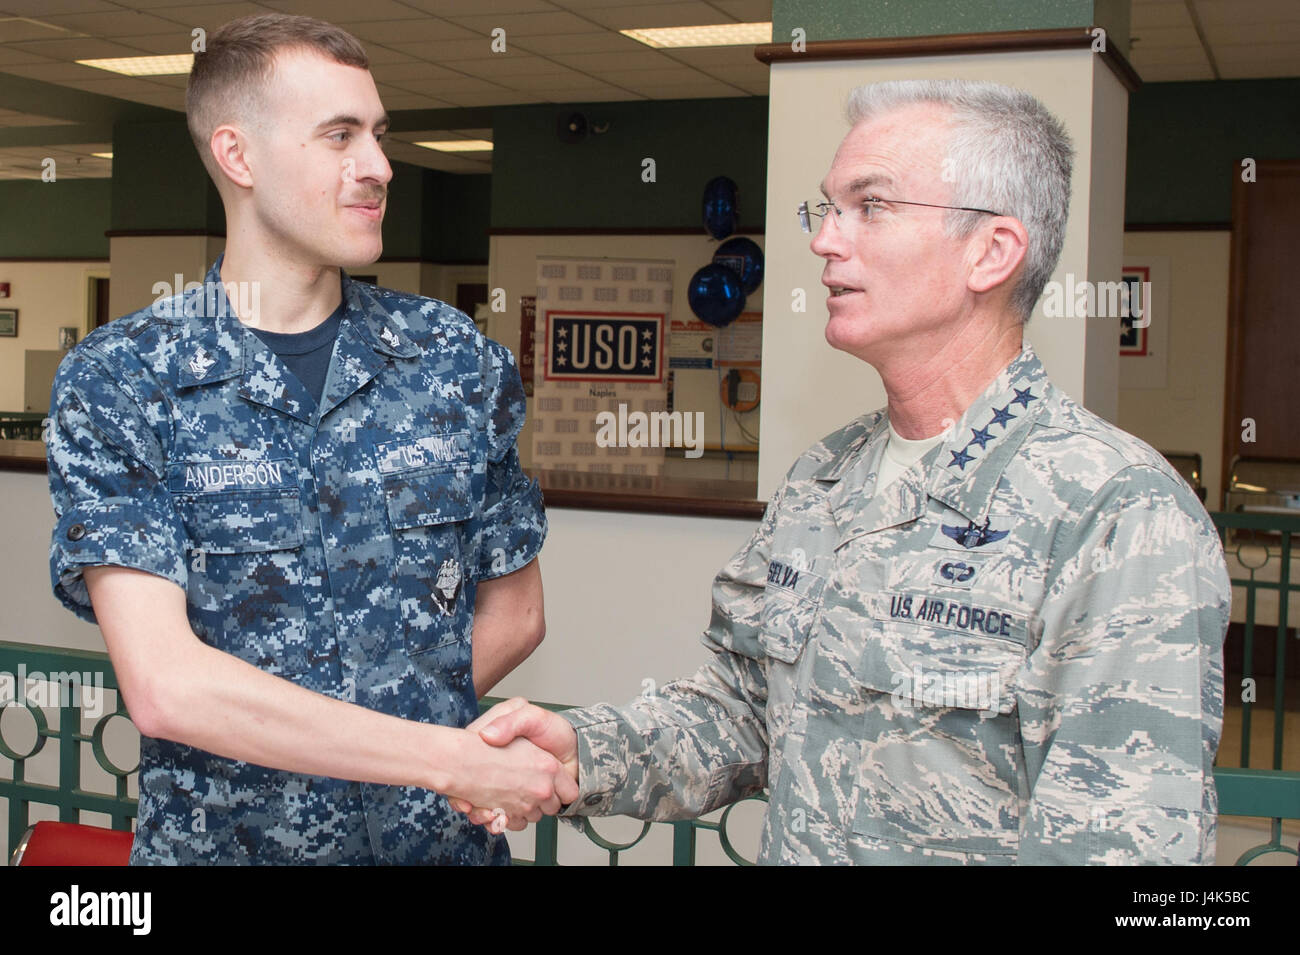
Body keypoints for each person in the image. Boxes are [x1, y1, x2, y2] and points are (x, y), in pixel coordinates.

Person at [461, 79, 1232, 864]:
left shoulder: (1114, 512)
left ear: (991, 252)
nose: (827, 240)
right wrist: (581, 750)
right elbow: (746, 711)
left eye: (871, 206)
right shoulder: (824, 479)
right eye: (826, 209)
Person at [45, 13, 575, 865]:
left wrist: (365, 742)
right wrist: (440, 756)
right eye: (338, 136)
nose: (378, 167)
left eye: (377, 135)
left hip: (432, 850)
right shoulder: (123, 379)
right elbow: (165, 685)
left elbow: (517, 610)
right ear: (238, 156)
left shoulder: (451, 359)